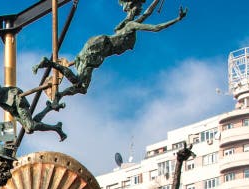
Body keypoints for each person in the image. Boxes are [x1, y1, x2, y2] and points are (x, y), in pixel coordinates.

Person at [34, 0, 187, 110]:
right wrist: (177, 19)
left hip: (97, 45)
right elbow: (156, 28)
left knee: (80, 85)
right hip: (100, 48)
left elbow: (148, 12)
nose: (141, 10)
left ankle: (56, 89)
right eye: (138, 8)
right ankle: (51, 67)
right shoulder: (131, 25)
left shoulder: (128, 23)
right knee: (81, 86)